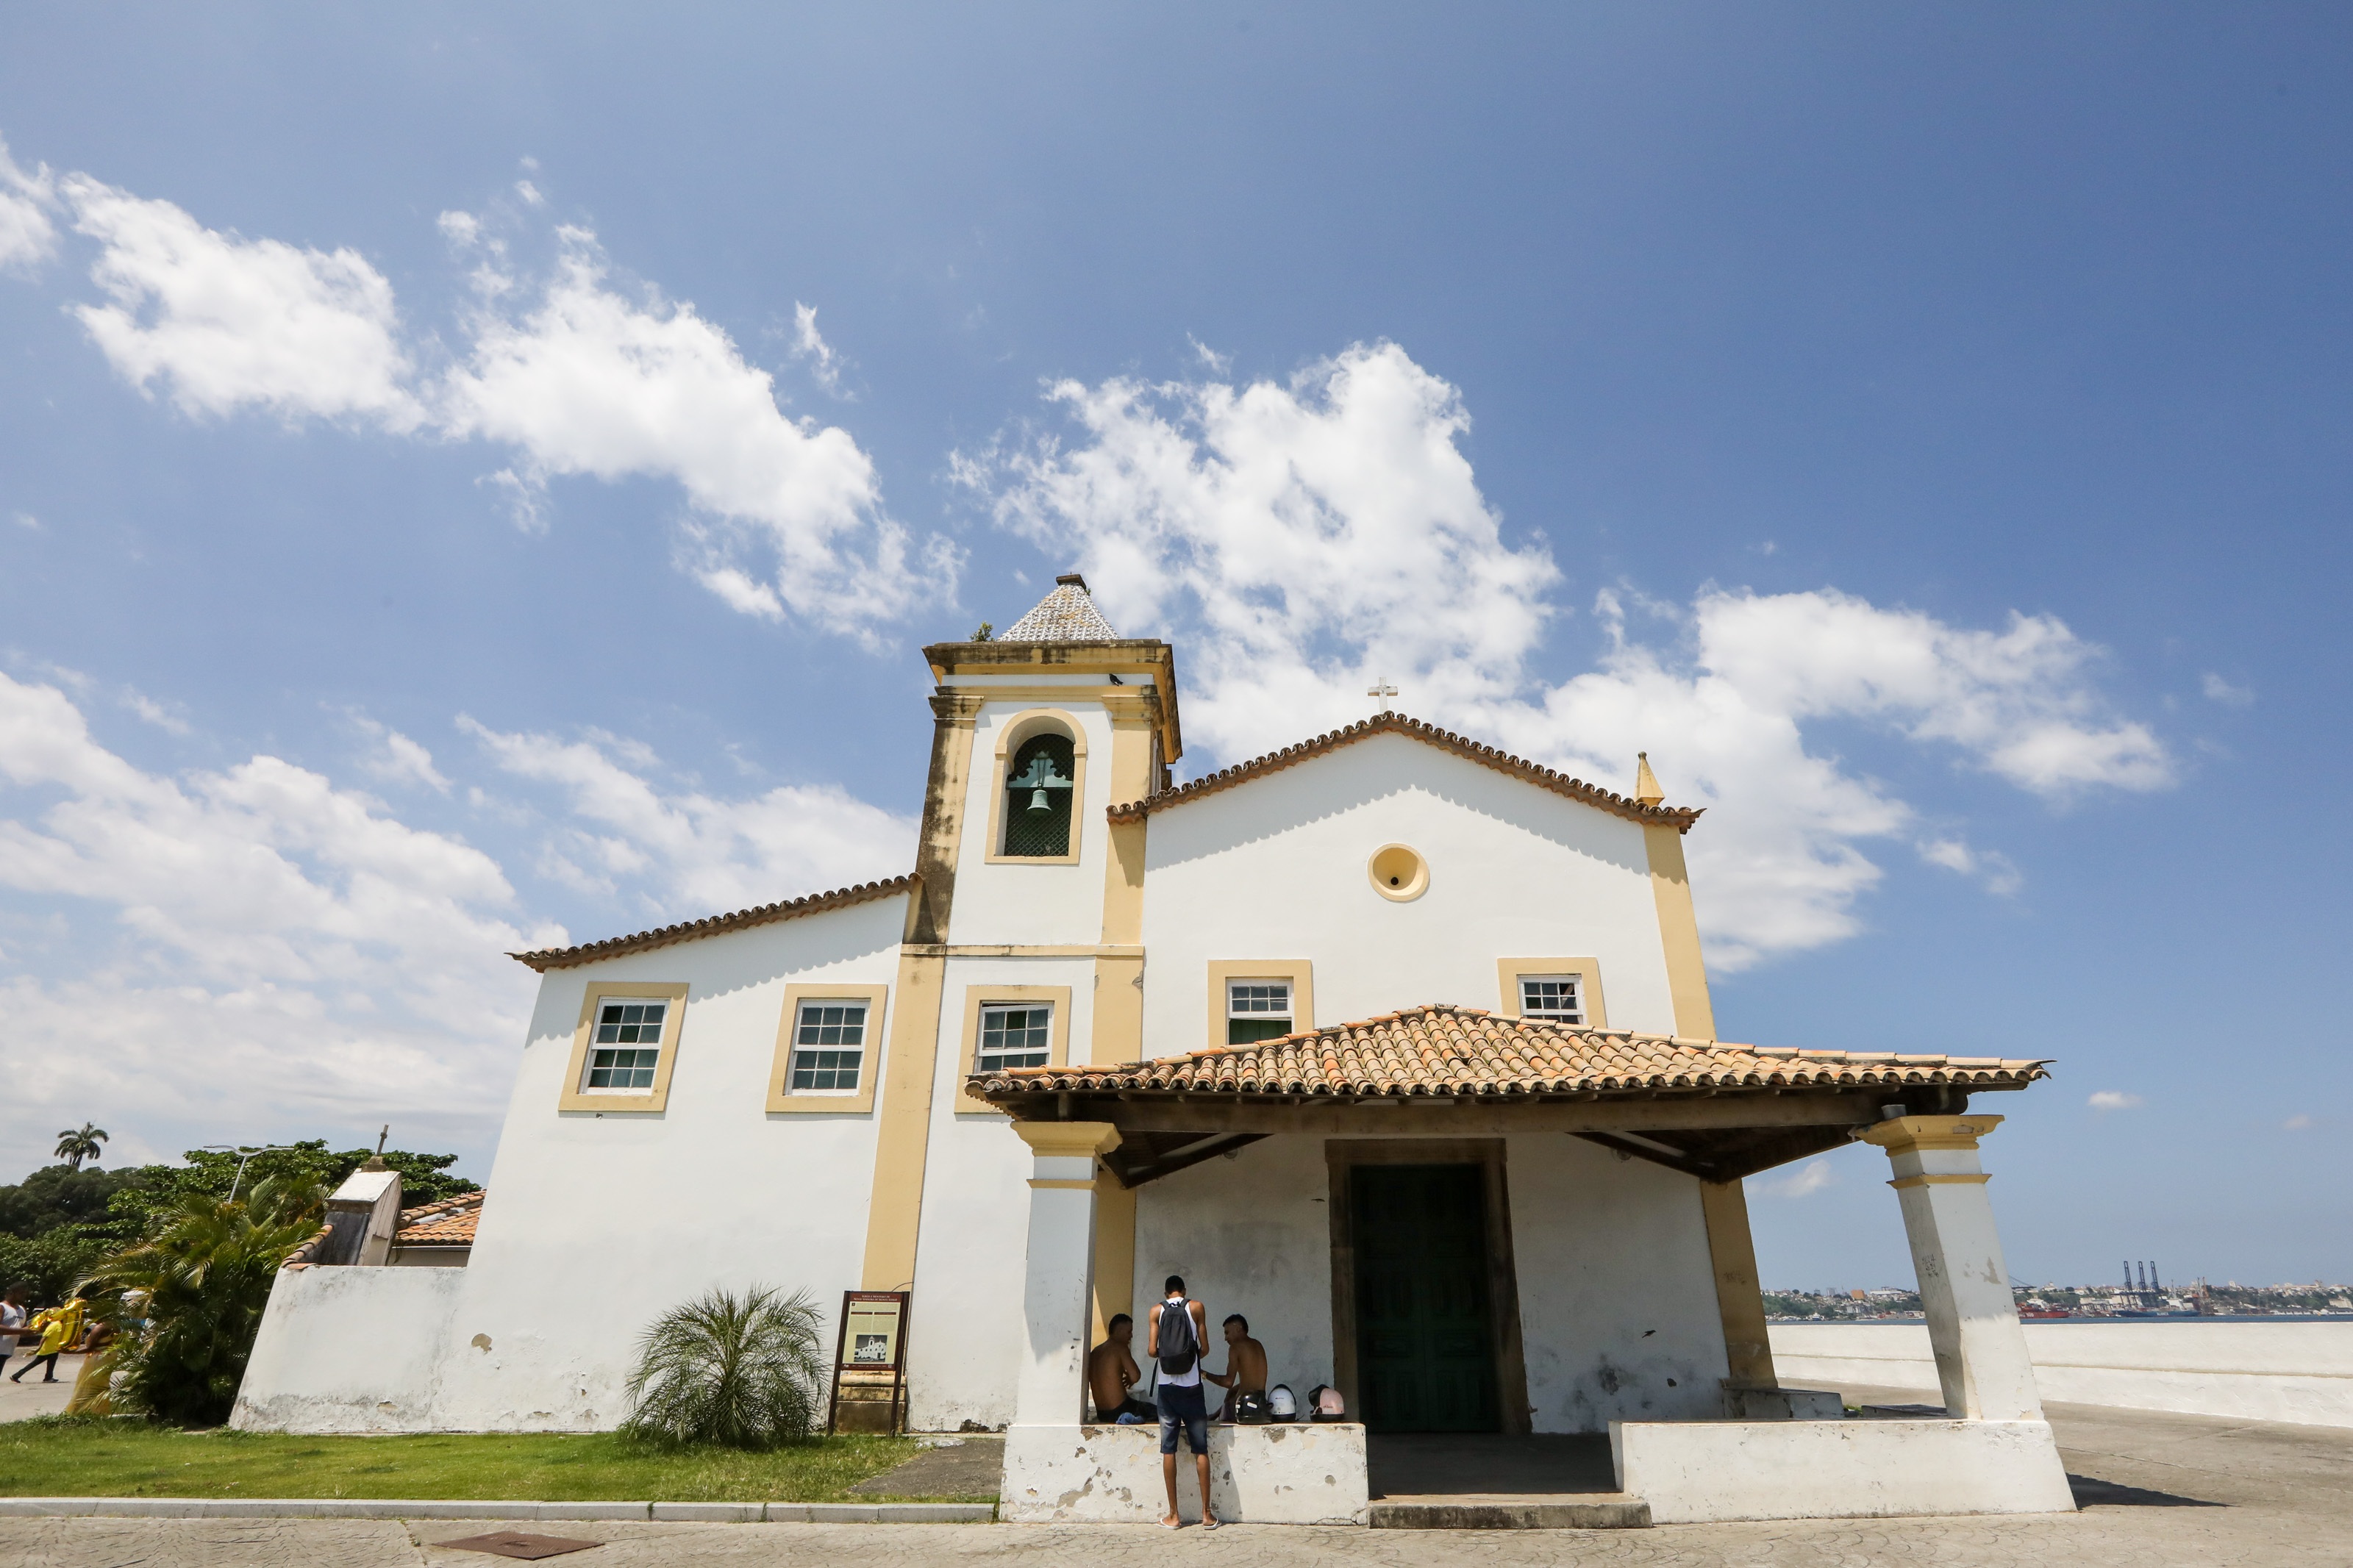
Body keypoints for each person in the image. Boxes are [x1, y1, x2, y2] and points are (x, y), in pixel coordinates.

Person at [1148, 1275, 1218, 1530]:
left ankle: (1174, 1516)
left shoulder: (1156, 1311)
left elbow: (1152, 1351)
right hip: (1192, 1388)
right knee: (1201, 1449)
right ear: (1184, 1291)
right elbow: (1205, 1347)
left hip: (1167, 1390)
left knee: (1169, 1449)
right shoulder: (1196, 1307)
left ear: (1166, 1293)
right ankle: (1207, 1515)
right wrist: (1189, 1357)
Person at [1088, 1313, 1156, 1424]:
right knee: (1161, 1412)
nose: (1131, 1336)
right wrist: (1130, 1379)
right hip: (1121, 1409)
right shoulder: (1120, 1347)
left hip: (1102, 1414)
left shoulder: (1095, 1351)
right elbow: (1135, 1376)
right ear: (1119, 1331)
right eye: (1129, 1332)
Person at [1205, 1313, 1268, 1422]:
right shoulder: (1258, 1344)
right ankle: (1214, 1415)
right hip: (1260, 1405)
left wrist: (1203, 1374)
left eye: (1227, 1333)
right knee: (1232, 1393)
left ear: (1238, 1328)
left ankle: (1214, 1416)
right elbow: (1250, 1383)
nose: (1226, 1338)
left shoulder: (1236, 1347)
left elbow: (1228, 1382)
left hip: (1243, 1408)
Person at [10, 1295, 85, 1385]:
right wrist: (38, 1348)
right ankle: (16, 1375)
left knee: (51, 1364)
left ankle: (48, 1377)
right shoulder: (54, 1326)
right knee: (33, 1364)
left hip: (54, 1349)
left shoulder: (63, 1326)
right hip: (46, 1350)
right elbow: (44, 1337)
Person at [0, 1286, 26, 1378]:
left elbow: (22, 1328)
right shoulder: (2, 1307)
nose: (24, 1295)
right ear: (11, 1293)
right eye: (21, 1293)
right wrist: (22, 1331)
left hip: (6, 1350)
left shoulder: (22, 1310)